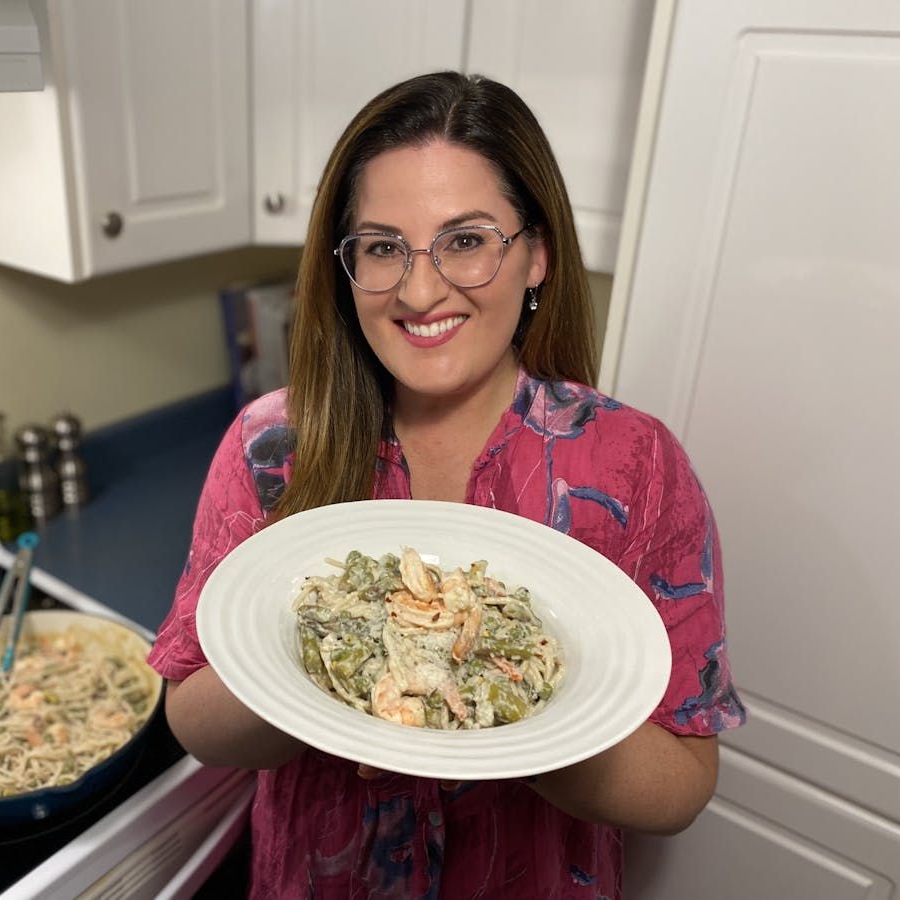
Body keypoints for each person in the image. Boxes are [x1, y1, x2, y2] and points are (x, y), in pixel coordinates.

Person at [148, 71, 745, 899]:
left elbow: (681, 784)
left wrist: (500, 711)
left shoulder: (635, 466)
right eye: (383, 247)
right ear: (346, 266)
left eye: (466, 239)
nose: (420, 290)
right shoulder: (271, 447)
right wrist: (324, 671)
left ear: (537, 254)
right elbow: (191, 720)